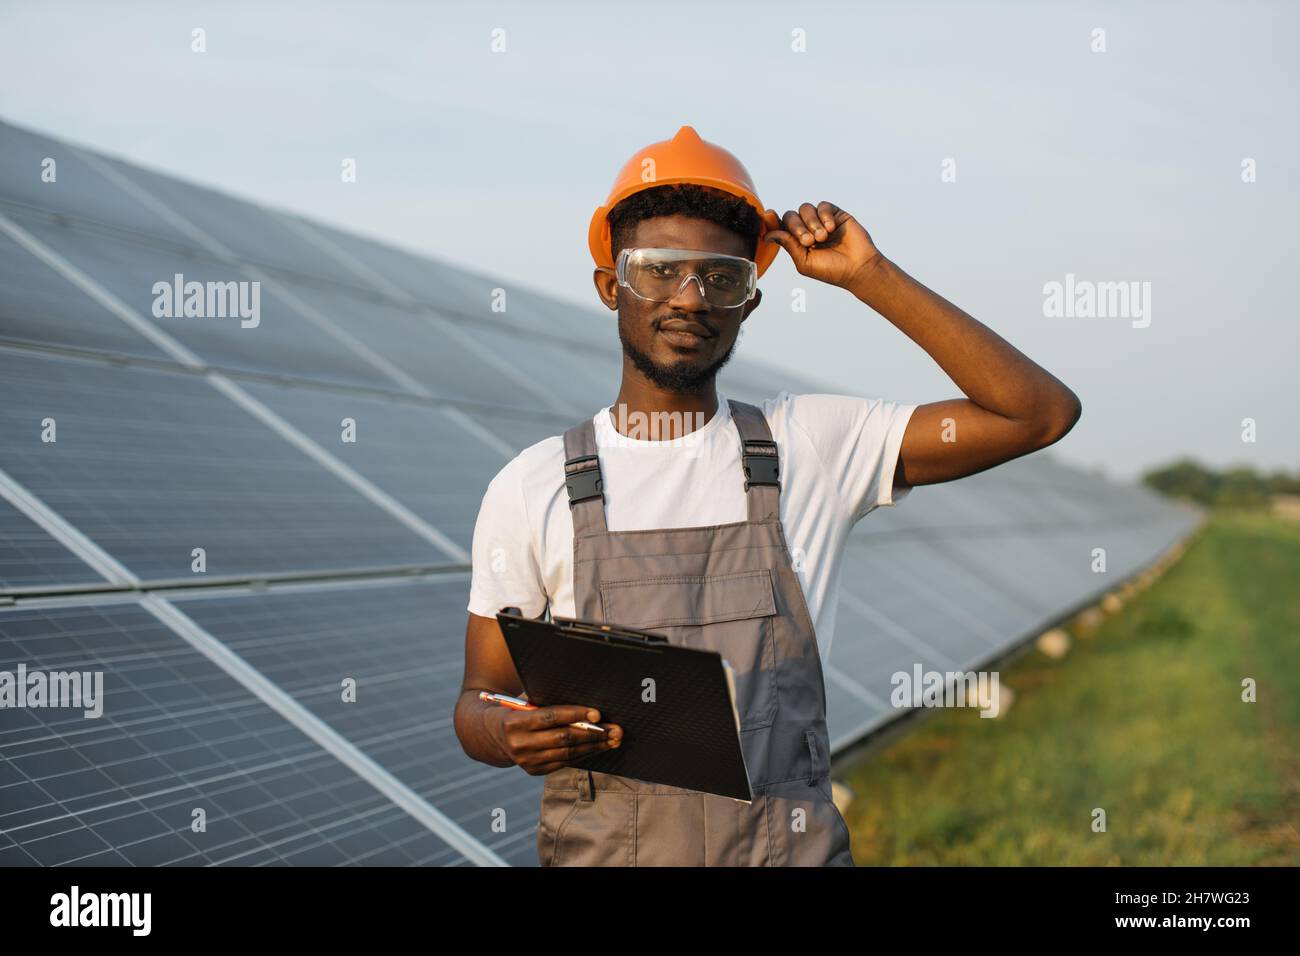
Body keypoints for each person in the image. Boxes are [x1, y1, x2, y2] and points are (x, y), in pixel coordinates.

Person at [452, 125, 1081, 866]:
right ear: (609, 285)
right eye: (657, 271)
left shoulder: (809, 447)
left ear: (748, 302)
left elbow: (1036, 413)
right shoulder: (533, 486)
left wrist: (870, 274)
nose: (689, 298)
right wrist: (504, 733)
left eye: (721, 278)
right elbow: (480, 695)